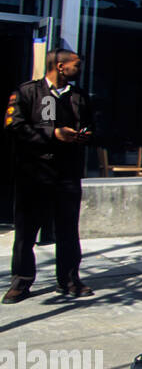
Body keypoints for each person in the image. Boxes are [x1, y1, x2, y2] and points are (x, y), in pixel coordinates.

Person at [3, 50, 95, 303]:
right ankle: (21, 283)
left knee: (67, 230)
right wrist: (53, 134)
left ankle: (69, 280)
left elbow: (91, 126)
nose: (80, 69)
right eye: (76, 65)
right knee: (26, 232)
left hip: (67, 175)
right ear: (60, 66)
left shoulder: (78, 95)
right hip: (34, 175)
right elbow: (14, 127)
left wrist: (84, 135)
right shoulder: (27, 92)